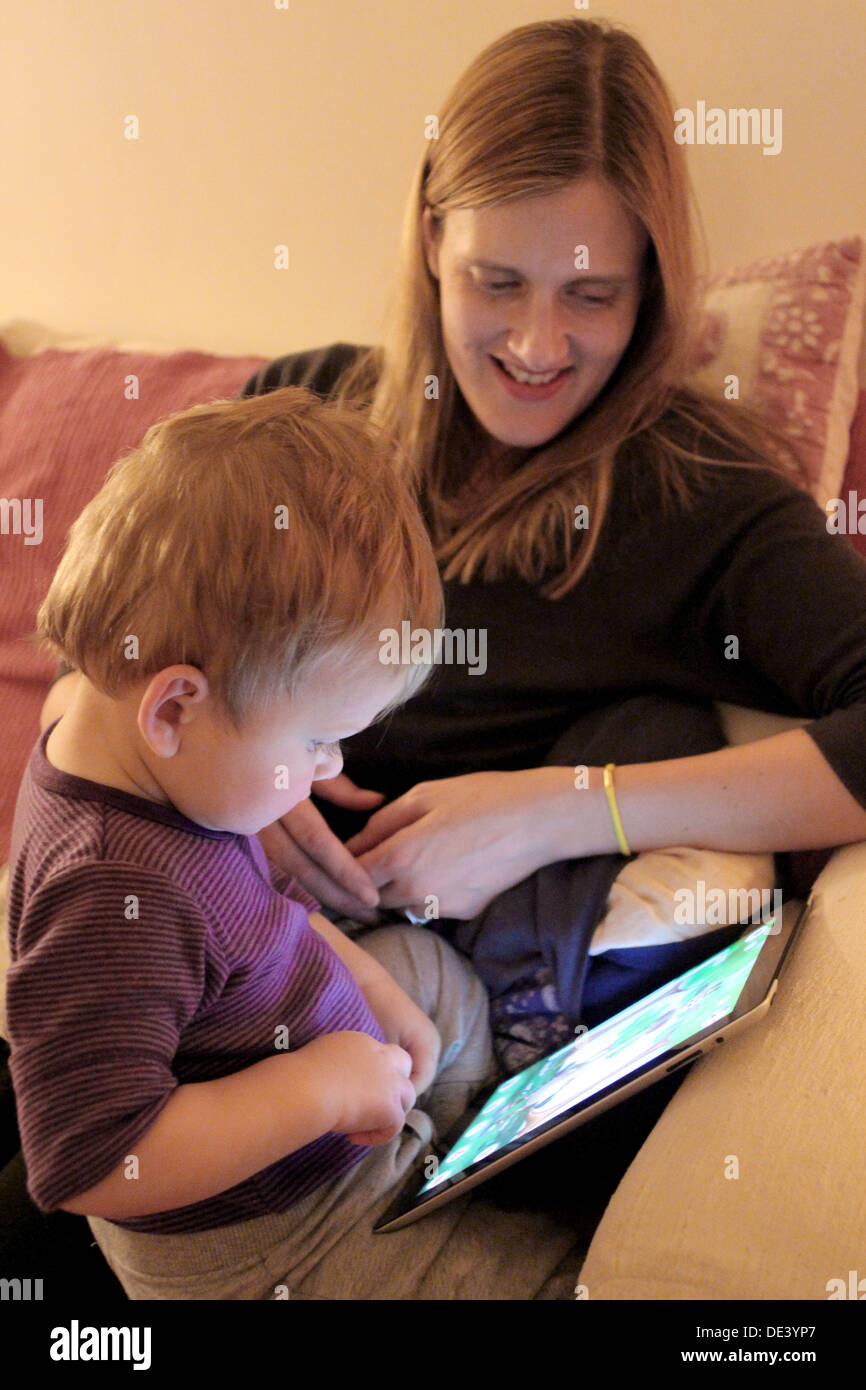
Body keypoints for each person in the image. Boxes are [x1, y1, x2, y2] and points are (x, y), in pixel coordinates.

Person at [222, 17, 866, 1074]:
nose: (534, 346)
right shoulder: (296, 415)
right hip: (196, 947)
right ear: (430, 237)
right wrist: (241, 779)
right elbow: (95, 679)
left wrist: (556, 813)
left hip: (396, 1048)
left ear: (649, 283)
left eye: (589, 296)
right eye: (496, 282)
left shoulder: (694, 495)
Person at [7, 386, 592, 1300]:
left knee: (431, 981)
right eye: (317, 741)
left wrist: (366, 988)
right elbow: (92, 1160)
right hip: (271, 1236)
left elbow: (257, 916)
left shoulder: (151, 762)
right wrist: (318, 1089)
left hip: (312, 1077)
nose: (332, 767)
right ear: (173, 708)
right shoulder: (106, 891)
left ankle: (461, 1140)